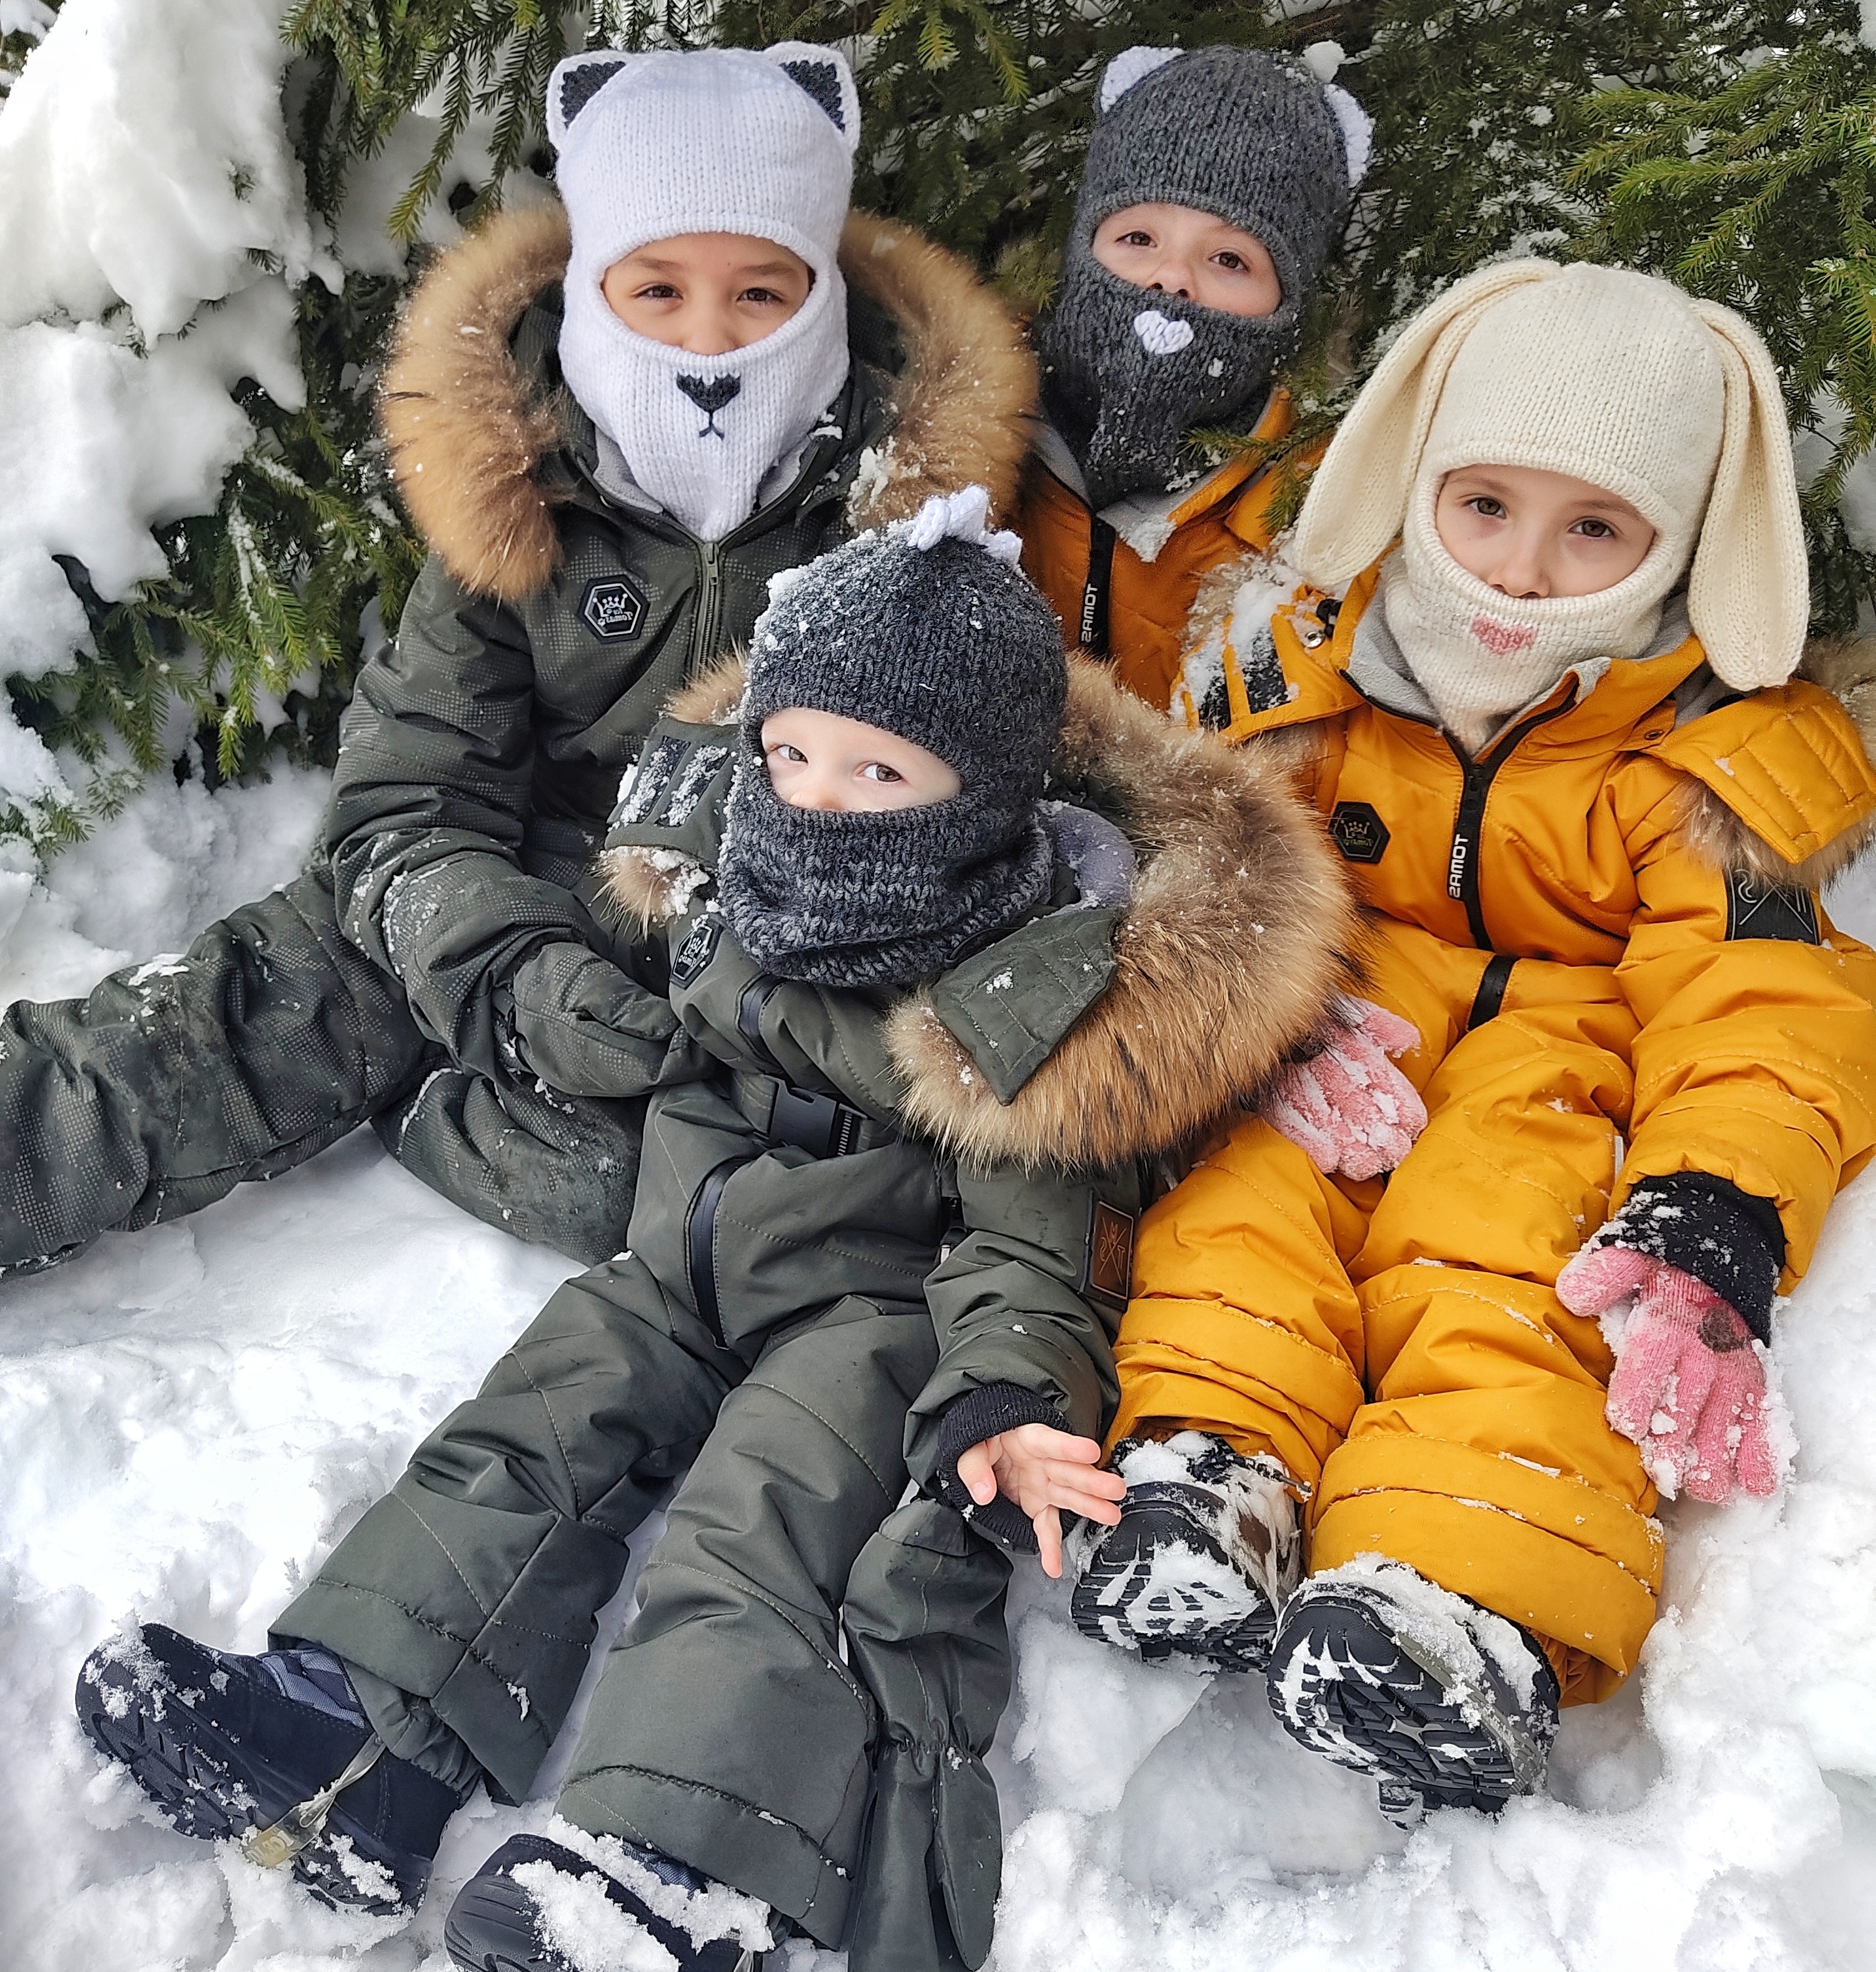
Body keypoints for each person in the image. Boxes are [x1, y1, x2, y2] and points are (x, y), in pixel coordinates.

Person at [74, 490, 1360, 1971]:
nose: (810, 798)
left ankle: (676, 1861)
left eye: (874, 770)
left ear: (980, 797)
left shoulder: (1032, 983)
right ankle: (351, 1730)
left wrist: (1010, 1394)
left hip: (872, 1314)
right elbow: (567, 955)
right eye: (789, 751)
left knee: (762, 1526)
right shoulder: (722, 868)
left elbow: (1031, 1233)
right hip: (682, 1255)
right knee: (530, 1430)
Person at [0, 41, 1036, 1276]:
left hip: (756, 943)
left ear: (826, 298)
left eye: (760, 293)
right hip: (501, 889)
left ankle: (432, 1114)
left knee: (681, 1193)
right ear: (594, 291)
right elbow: (406, 802)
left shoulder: (908, 530)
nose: (709, 341)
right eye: (658, 292)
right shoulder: (523, 482)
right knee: (239, 1017)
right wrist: (505, 969)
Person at [1067, 260, 1876, 1826]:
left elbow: (1763, 1001)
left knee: (1510, 1240)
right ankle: (1210, 1460)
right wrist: (1261, 1007)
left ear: (1682, 539)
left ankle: (1455, 1584)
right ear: (1415, 472)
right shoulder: (1295, 664)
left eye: (1594, 528)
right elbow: (1183, 848)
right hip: (1342, 1007)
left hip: (1566, 1048)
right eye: (1483, 504)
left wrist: (1715, 1198)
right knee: (1245, 1189)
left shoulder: (1716, 748)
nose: (1521, 567)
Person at [1016, 44, 1371, 715]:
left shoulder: (1309, 511)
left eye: (1229, 258)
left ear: (1287, 303)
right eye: (1140, 239)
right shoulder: (982, 439)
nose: (1170, 279)